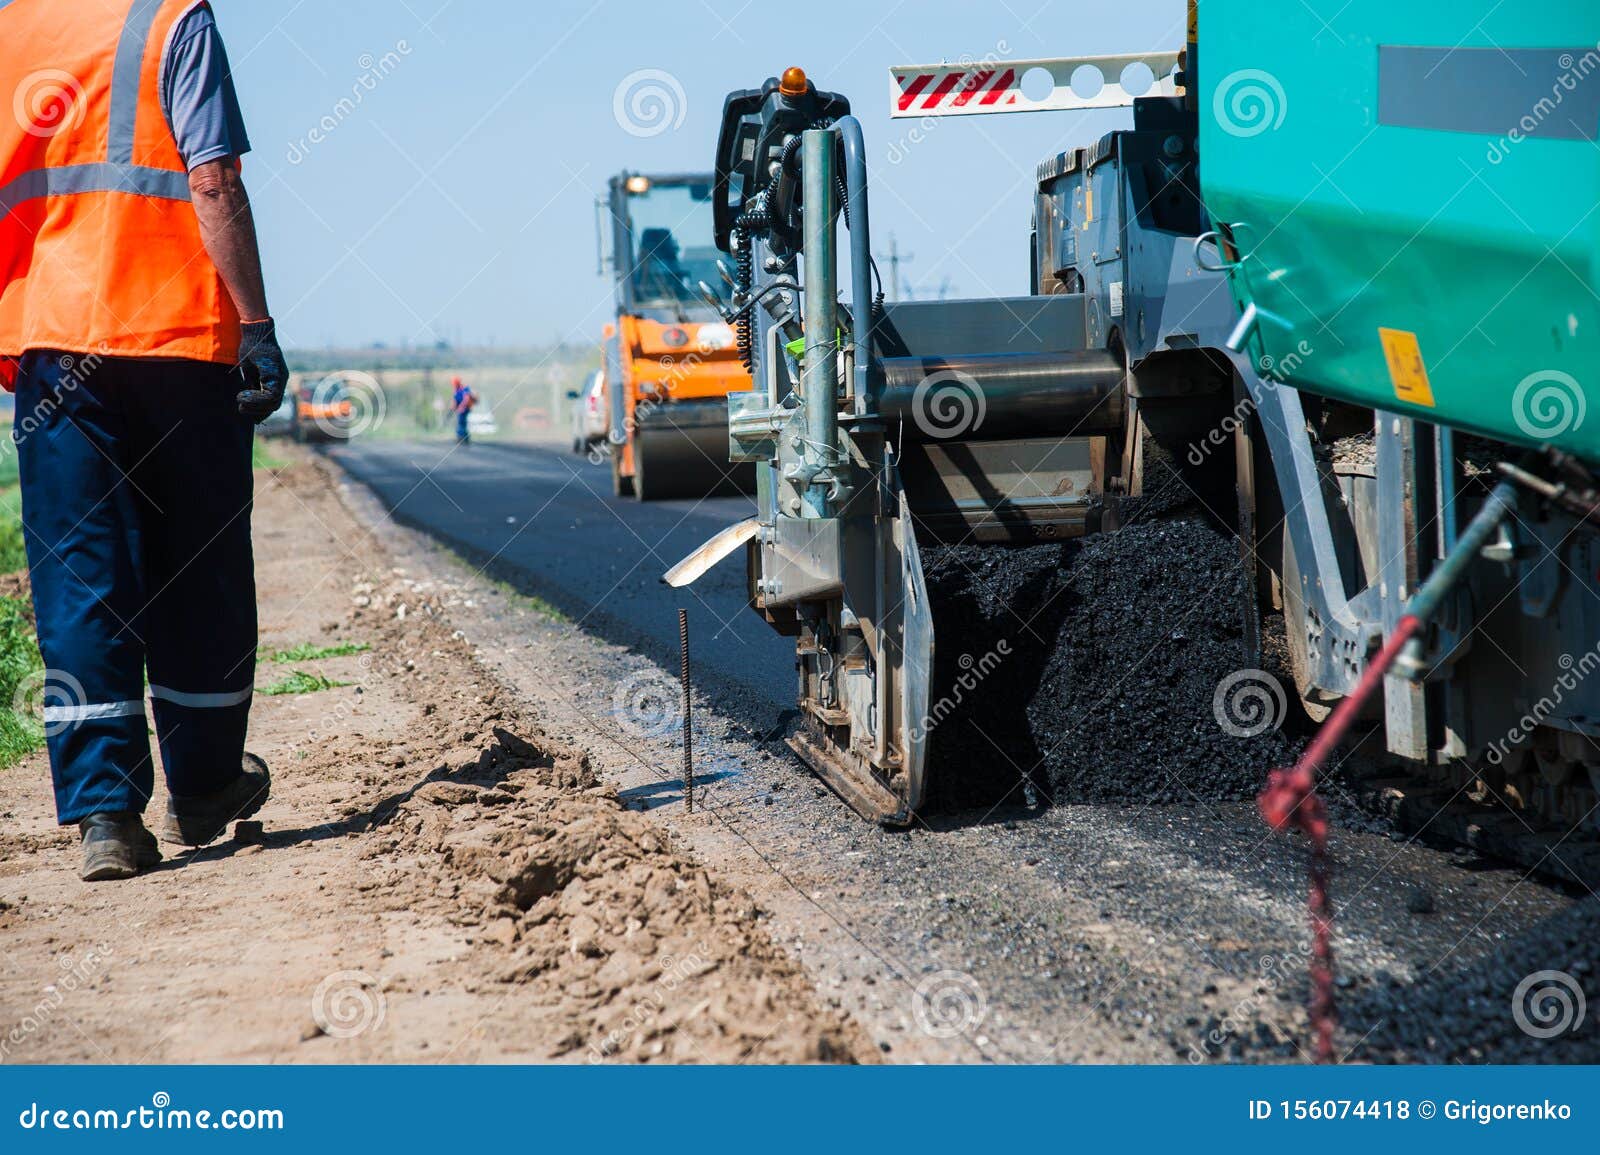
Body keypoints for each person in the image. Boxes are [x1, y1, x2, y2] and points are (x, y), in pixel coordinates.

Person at [0, 1, 287, 880]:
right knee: (196, 566)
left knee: (82, 575)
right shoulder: (178, 23)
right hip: (176, 340)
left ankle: (106, 818)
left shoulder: (17, 31)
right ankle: (203, 786)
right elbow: (213, 180)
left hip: (56, 343)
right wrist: (259, 325)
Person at [452, 375, 479, 445]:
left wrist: (461, 406)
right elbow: (455, 400)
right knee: (462, 423)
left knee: (461, 423)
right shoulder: (457, 389)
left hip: (465, 409)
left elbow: (466, 398)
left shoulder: (463, 388)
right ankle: (464, 437)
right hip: (462, 409)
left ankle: (462, 437)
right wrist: (454, 407)